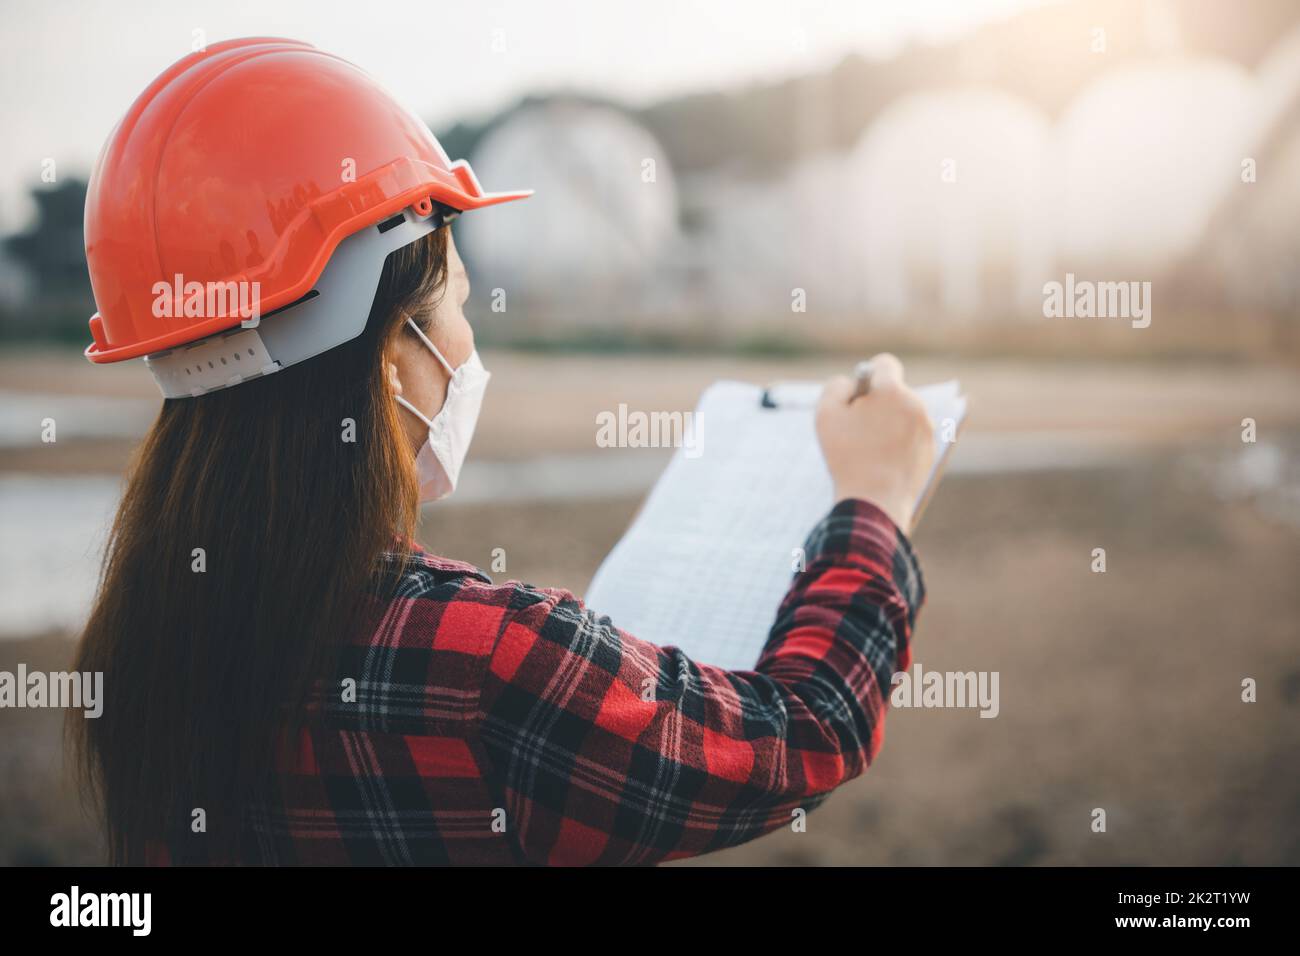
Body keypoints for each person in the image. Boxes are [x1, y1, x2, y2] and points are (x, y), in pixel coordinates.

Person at [69, 38, 935, 865]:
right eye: (457, 302)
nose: (469, 338)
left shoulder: (143, 631)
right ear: (391, 353)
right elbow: (800, 737)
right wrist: (875, 508)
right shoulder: (487, 657)